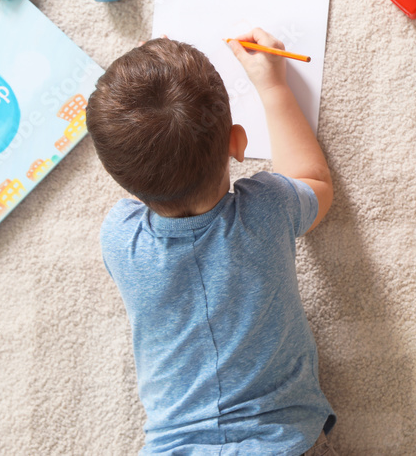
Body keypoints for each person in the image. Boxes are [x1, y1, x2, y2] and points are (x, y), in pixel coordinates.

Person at [86, 30, 338, 456]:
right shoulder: (269, 209)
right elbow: (315, 183)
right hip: (281, 442)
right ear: (238, 144)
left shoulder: (118, 237)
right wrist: (272, 84)